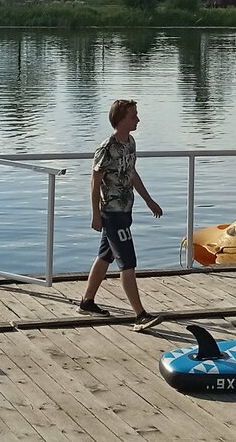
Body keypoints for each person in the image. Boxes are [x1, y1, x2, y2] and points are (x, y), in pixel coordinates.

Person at [77, 99, 163, 332]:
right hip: (112, 213)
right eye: (134, 116)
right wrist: (96, 214)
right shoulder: (107, 148)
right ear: (121, 119)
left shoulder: (130, 143)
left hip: (126, 211)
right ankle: (140, 315)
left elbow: (132, 174)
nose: (138, 119)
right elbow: (95, 183)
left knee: (105, 256)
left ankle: (87, 302)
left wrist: (149, 200)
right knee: (128, 261)